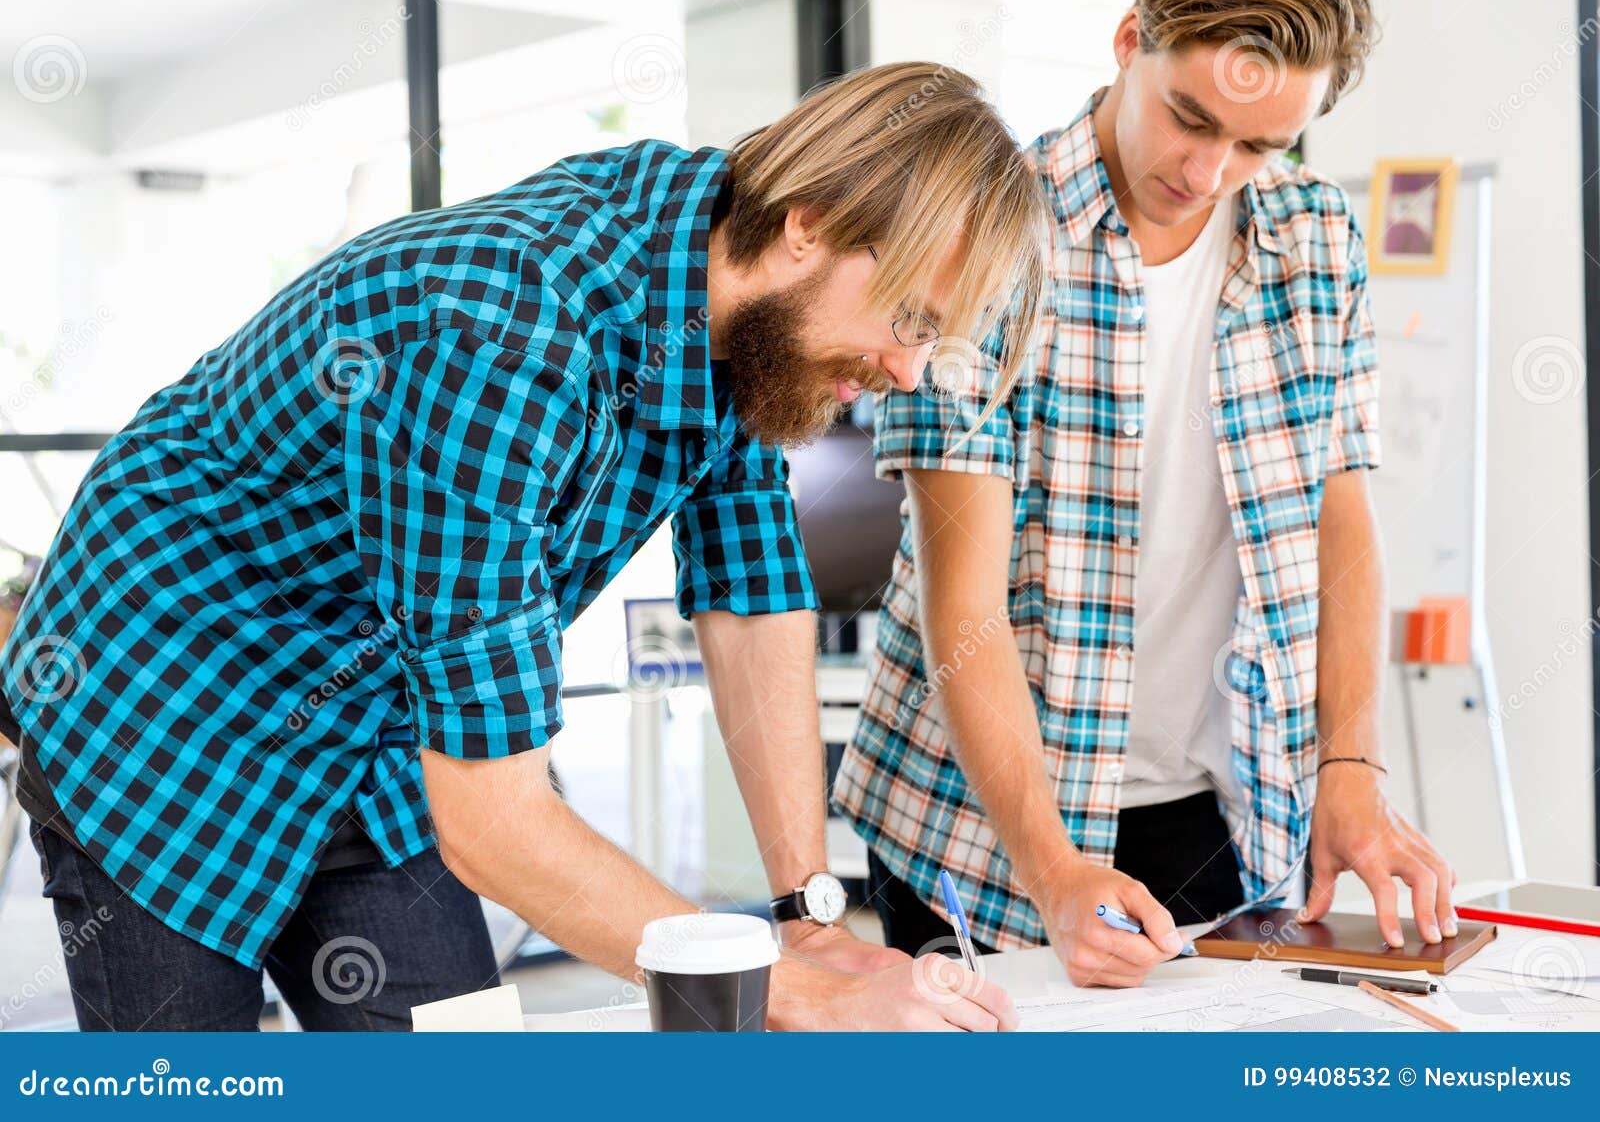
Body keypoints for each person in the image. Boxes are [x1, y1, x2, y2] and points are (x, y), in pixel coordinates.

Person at [0, 61, 1044, 1031]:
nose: (909, 370)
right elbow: (496, 820)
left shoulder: (734, 296)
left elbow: (752, 598)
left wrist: (809, 916)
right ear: (807, 226)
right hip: (160, 695)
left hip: (370, 724)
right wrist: (795, 997)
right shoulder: (502, 338)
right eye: (908, 315)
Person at [835, 0, 1459, 989]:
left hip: (1222, 809)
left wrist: (1346, 768)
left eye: (1259, 144)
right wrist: (1053, 869)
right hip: (977, 828)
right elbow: (963, 603)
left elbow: (1337, 511)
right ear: (1130, 43)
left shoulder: (1314, 235)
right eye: (1190, 118)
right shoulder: (983, 235)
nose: (1209, 170)